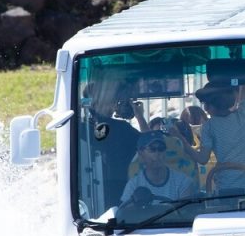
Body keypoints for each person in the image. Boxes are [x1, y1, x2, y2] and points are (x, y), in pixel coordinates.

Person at [180, 80, 245, 193]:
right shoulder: (243, 115)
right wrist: (243, 79)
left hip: (228, 187)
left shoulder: (209, 126)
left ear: (207, 106)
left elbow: (202, 159)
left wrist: (179, 138)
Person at [82, 80, 145, 208]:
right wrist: (139, 116)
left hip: (86, 193)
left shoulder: (79, 129)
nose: (115, 102)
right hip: (121, 190)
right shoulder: (122, 129)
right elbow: (149, 143)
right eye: (111, 99)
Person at [120, 131, 196, 205]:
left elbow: (185, 212)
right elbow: (126, 213)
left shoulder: (183, 182)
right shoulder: (133, 185)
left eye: (161, 148)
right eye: (152, 149)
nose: (157, 153)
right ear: (141, 154)